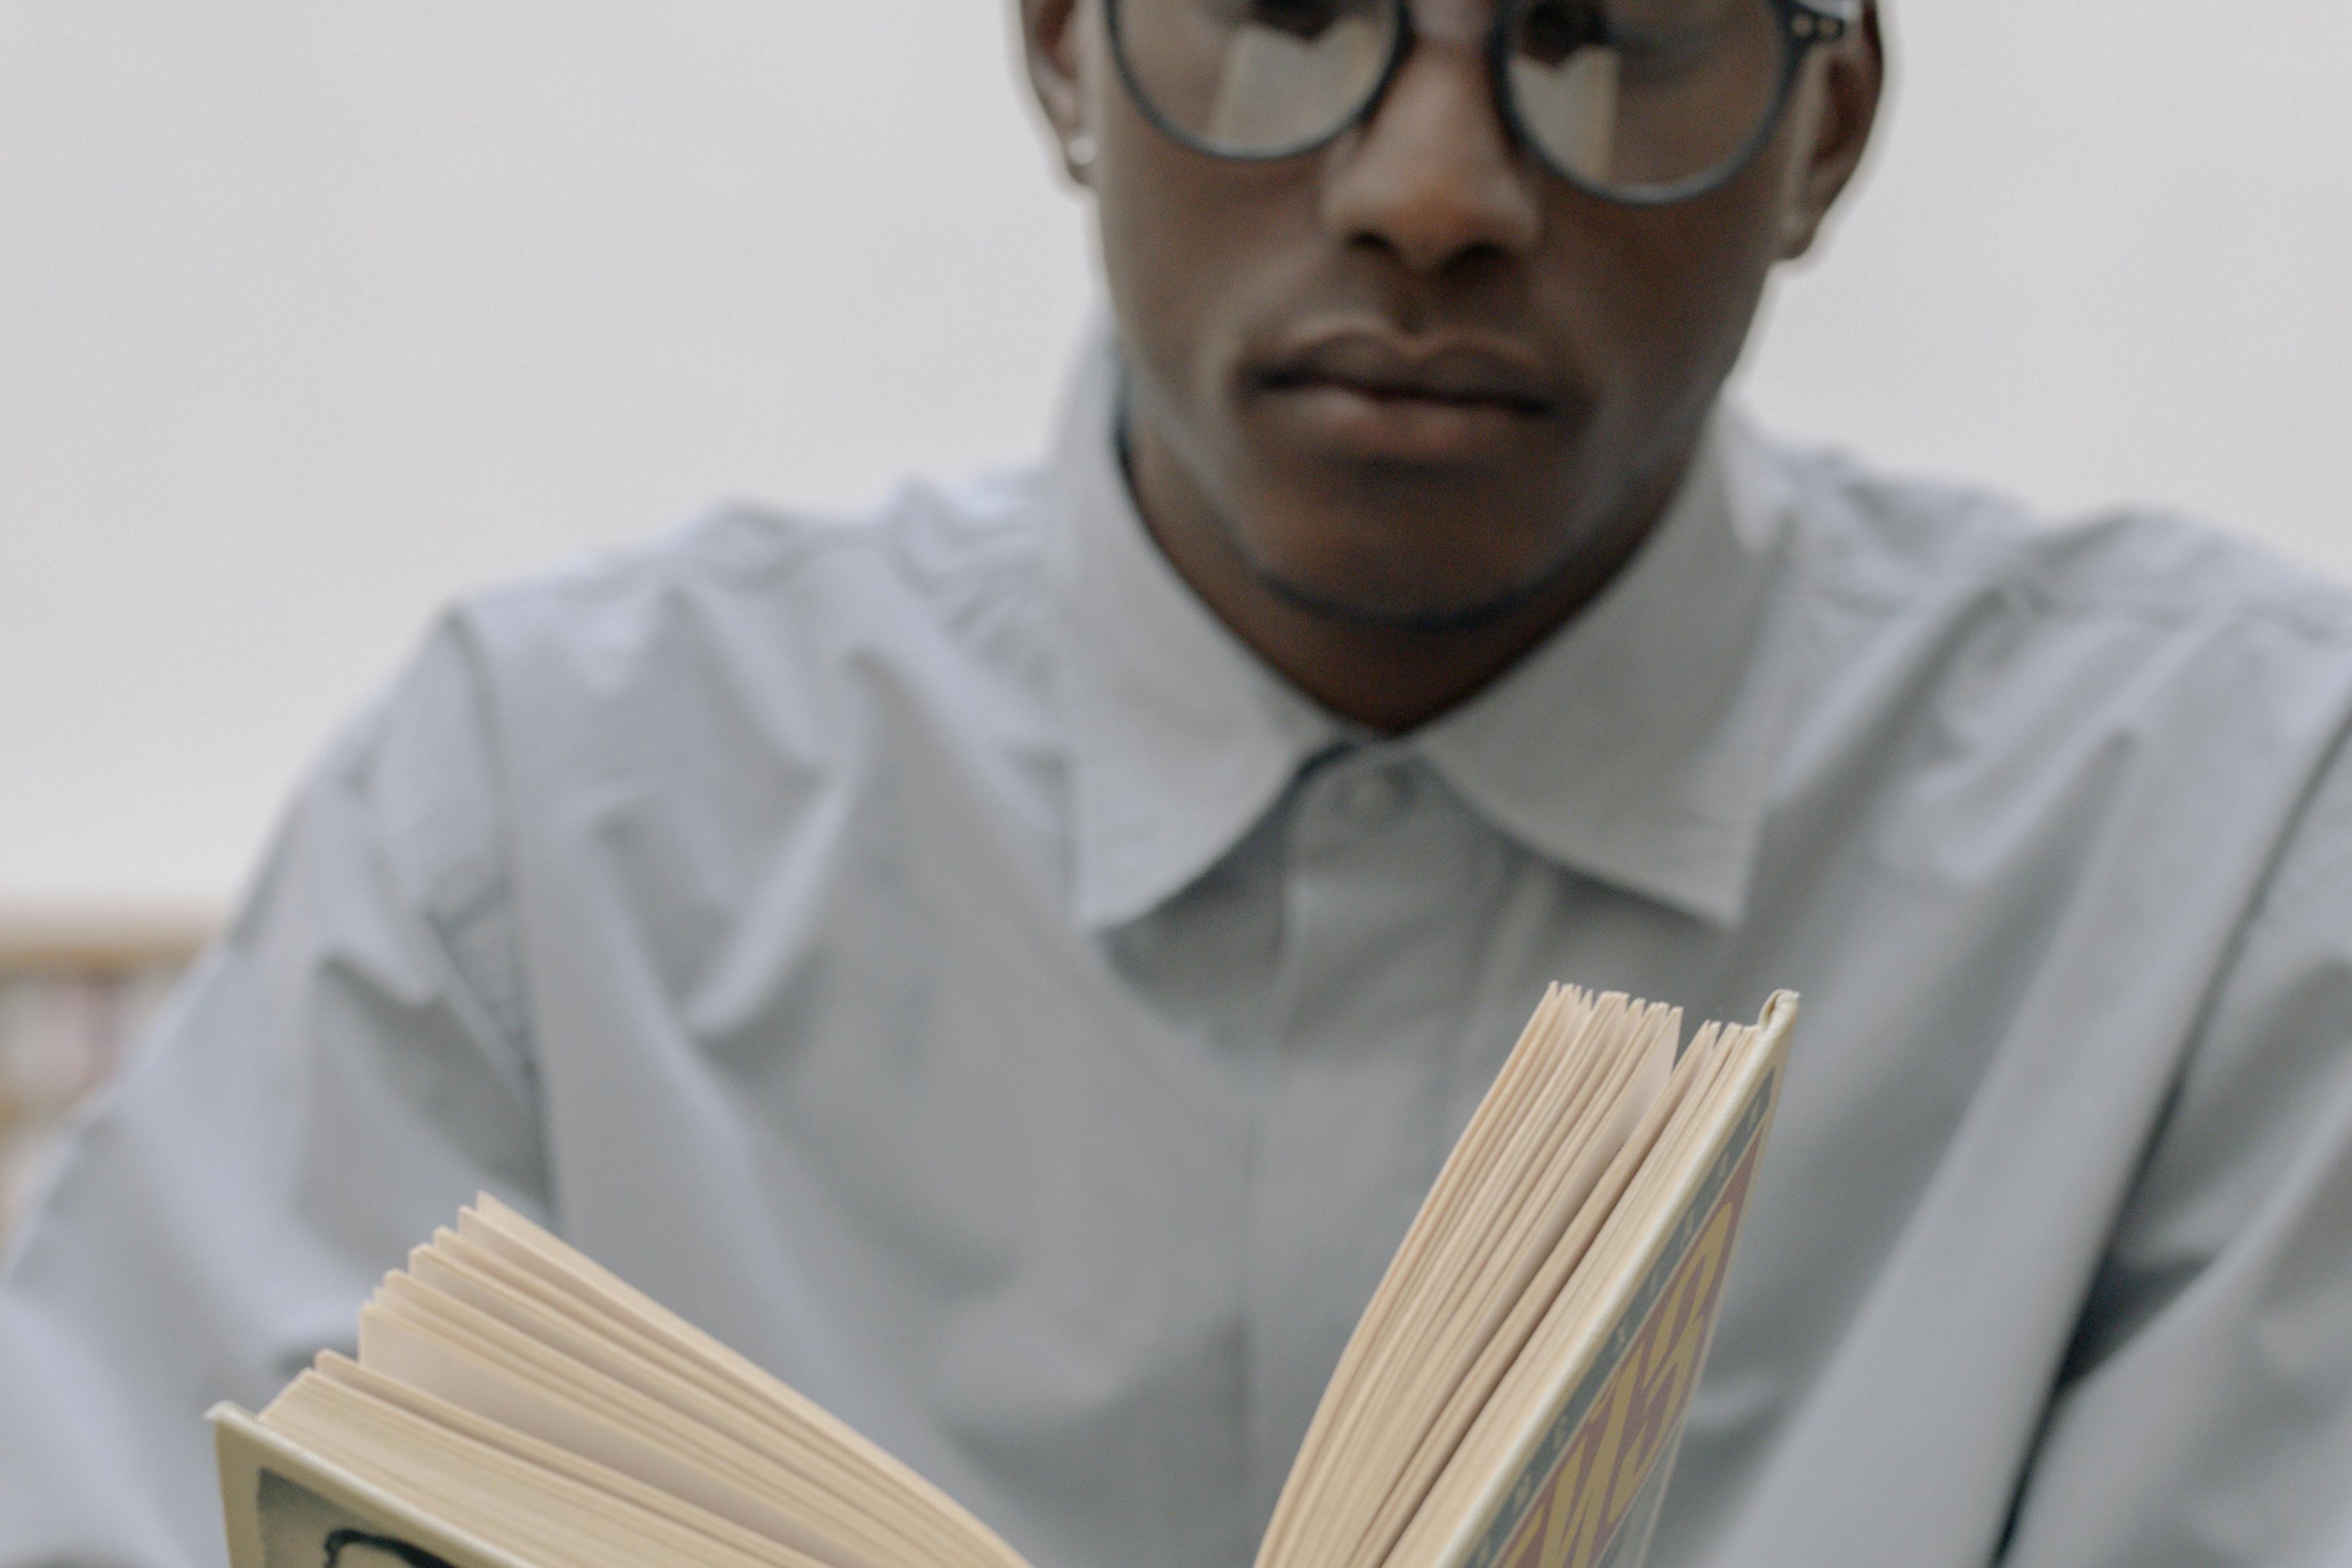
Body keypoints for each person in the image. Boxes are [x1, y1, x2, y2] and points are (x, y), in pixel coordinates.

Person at [5, 1, 2351, 1564]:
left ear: (1822, 134)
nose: (1435, 188)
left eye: (1601, 34)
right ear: (1061, 51)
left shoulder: (2240, 842)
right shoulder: (534, 814)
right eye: (1296, 9)